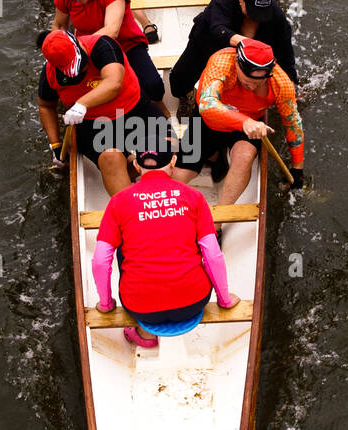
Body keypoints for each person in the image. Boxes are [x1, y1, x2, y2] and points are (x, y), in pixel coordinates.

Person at [91, 121, 239, 348]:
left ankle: (145, 336)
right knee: (192, 239)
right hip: (194, 301)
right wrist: (225, 300)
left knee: (122, 245)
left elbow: (101, 260)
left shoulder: (119, 202)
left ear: (138, 167)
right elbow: (213, 255)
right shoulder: (194, 197)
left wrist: (106, 304)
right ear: (172, 161)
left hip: (140, 306)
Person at [175, 40, 305, 216]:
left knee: (245, 157)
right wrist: (245, 122)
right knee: (178, 178)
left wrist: (297, 168)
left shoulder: (281, 83)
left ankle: (218, 222)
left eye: (257, 84)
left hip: (245, 129)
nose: (251, 86)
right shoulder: (221, 62)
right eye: (247, 81)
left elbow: (292, 123)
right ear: (237, 63)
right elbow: (207, 105)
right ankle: (214, 157)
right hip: (210, 122)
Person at [38, 28, 163, 196]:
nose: (81, 72)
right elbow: (46, 106)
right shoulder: (49, 74)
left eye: (80, 66)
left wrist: (81, 103)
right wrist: (55, 145)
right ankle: (129, 214)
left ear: (78, 43)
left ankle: (133, 163)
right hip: (94, 125)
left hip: (134, 110)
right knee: (111, 159)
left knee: (163, 153)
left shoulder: (103, 46)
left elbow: (114, 83)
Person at [52, 0, 167, 110]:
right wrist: (59, 50)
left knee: (154, 86)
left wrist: (77, 49)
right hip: (89, 53)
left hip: (126, 46)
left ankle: (159, 107)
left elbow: (111, 31)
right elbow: (58, 25)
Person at [169, 0, 298, 101]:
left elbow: (285, 49)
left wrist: (290, 81)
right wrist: (249, 44)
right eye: (252, 11)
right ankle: (186, 95)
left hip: (243, 59)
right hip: (209, 41)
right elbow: (218, 28)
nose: (256, 18)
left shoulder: (276, 14)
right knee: (178, 80)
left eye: (262, 14)